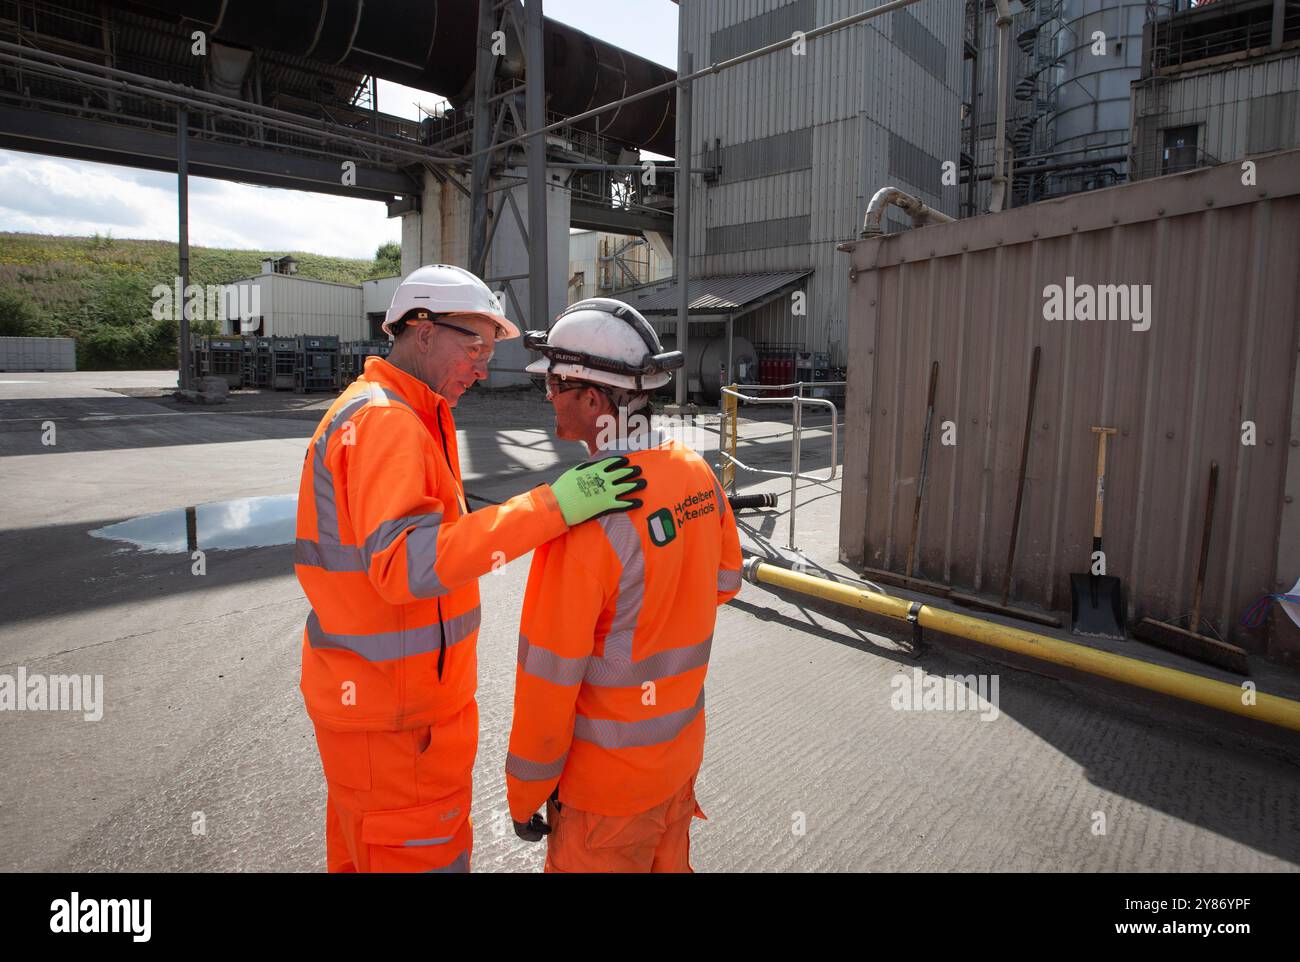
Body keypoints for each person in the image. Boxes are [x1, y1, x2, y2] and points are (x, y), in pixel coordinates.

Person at [294, 266, 648, 872]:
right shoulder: (387, 423)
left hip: (384, 718)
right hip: (399, 731)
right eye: (475, 346)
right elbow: (410, 563)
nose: (483, 367)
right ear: (424, 331)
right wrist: (551, 507)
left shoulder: (399, 411)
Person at [505, 297, 743, 872]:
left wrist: (525, 791)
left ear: (593, 398)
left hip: (605, 799)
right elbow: (725, 581)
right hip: (677, 766)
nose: (547, 396)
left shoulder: (585, 515)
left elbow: (549, 675)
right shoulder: (694, 471)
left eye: (556, 383)